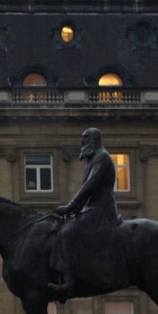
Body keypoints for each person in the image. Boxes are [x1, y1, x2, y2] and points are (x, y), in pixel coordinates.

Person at [49, 127, 123, 299]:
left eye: (86, 139)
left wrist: (70, 207)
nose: (82, 142)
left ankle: (68, 283)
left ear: (95, 140)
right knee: (63, 226)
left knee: (67, 233)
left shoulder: (102, 158)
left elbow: (89, 186)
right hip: (91, 208)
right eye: (82, 139)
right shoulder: (93, 159)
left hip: (102, 210)